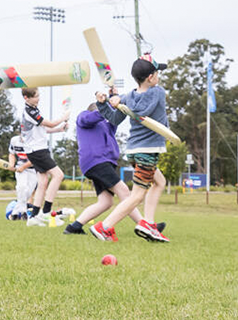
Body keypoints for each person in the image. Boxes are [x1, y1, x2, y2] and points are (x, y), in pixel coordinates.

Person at [86, 58, 171, 242]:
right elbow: (142, 110)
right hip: (146, 150)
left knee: (159, 182)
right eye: (157, 73)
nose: (159, 76)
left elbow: (115, 118)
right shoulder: (157, 92)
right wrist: (109, 102)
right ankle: (104, 227)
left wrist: (111, 102)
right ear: (151, 77)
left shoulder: (128, 98)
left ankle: (149, 223)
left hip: (134, 150)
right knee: (137, 194)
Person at [63, 94, 166, 239]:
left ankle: (74, 227)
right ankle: (145, 225)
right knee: (123, 191)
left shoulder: (107, 125)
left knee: (106, 202)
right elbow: (93, 117)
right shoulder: (84, 117)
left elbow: (115, 118)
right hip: (96, 161)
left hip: (103, 163)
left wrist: (115, 100)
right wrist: (104, 108)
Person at [18, 88, 70, 226]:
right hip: (37, 150)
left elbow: (42, 129)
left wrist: (59, 129)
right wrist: (63, 117)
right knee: (58, 175)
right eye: (36, 96)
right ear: (26, 98)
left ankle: (34, 217)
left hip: (36, 149)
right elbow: (50, 123)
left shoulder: (34, 109)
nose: (38, 98)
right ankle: (46, 212)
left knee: (43, 182)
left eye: (39, 95)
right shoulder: (29, 111)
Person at [5, 134, 34, 220]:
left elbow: (35, 159)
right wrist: (11, 164)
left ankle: (14, 212)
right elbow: (11, 153)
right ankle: (21, 213)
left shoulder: (36, 141)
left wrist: (23, 167)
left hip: (34, 169)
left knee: (28, 192)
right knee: (21, 188)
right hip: (19, 168)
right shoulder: (14, 140)